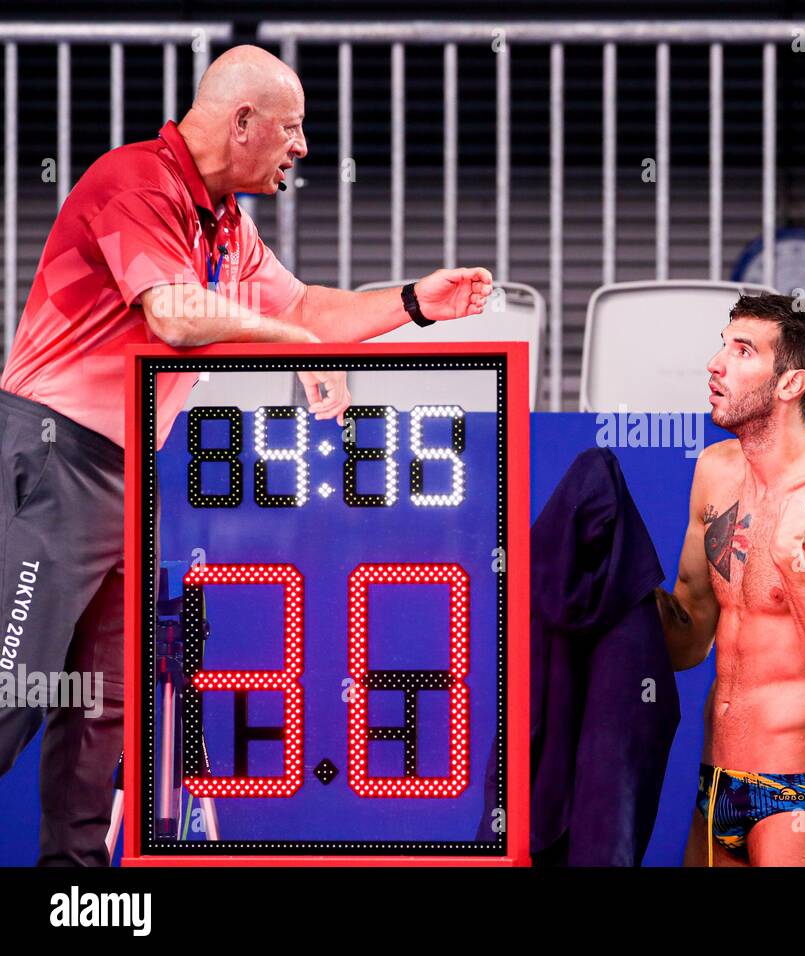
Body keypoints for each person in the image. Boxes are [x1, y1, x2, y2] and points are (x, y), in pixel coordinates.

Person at [0, 44, 492, 865]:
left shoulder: (227, 224)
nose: (303, 147)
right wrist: (293, 341)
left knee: (103, 713)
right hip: (54, 459)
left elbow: (301, 304)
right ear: (243, 123)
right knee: (11, 697)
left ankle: (72, 893)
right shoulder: (133, 181)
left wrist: (413, 304)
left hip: (128, 476)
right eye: (292, 129)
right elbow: (177, 315)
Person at [656, 292, 805, 867]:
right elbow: (687, 643)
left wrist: (791, 565)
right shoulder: (714, 471)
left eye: (742, 351)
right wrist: (613, 588)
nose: (715, 364)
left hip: (794, 793)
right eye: (722, 345)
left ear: (790, 384)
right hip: (715, 782)